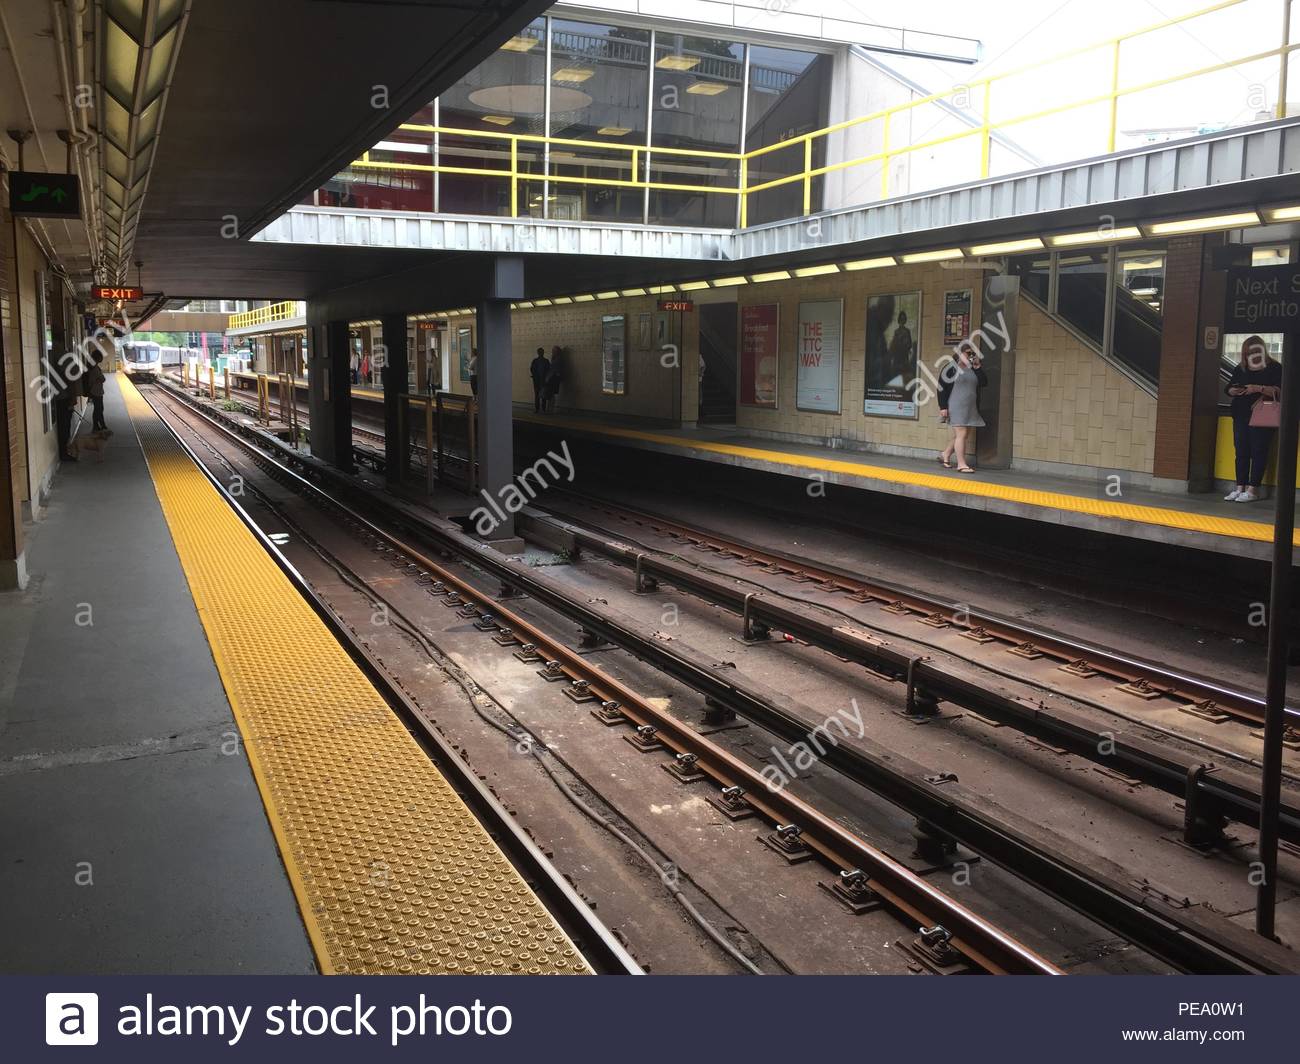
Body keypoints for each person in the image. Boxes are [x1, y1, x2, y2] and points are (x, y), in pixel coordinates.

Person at [1224, 335, 1283, 503]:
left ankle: (1253, 489)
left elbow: (1280, 390)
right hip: (1241, 413)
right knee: (1241, 450)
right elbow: (1228, 387)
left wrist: (1257, 388)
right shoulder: (1241, 368)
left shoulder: (1275, 368)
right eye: (1247, 352)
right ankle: (1239, 487)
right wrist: (1232, 391)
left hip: (1263, 414)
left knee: (1259, 450)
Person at [937, 347, 986, 473]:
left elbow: (984, 382)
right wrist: (943, 407)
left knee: (962, 435)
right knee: (962, 434)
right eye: (967, 353)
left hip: (970, 407)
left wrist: (978, 367)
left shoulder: (972, 369)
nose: (970, 356)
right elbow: (941, 387)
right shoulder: (951, 368)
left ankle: (945, 454)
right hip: (955, 405)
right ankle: (961, 464)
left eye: (972, 353)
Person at [85, 352, 109, 433]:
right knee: (99, 409)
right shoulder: (95, 368)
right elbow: (103, 379)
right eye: (100, 357)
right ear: (97, 358)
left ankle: (99, 425)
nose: (101, 358)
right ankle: (100, 425)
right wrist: (100, 378)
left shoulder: (91, 366)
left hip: (94, 391)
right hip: (96, 392)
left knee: (98, 409)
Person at [529, 347, 551, 413]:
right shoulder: (546, 361)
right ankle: (542, 409)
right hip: (542, 380)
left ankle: (538, 409)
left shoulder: (535, 361)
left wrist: (534, 375)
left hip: (538, 380)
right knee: (542, 394)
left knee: (538, 394)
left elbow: (532, 369)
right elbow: (548, 370)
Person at [544, 345, 564, 413]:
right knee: (550, 394)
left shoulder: (558, 359)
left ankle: (550, 409)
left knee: (551, 394)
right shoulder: (555, 359)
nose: (553, 352)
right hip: (552, 378)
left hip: (553, 378)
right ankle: (549, 409)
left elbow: (555, 370)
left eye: (554, 351)